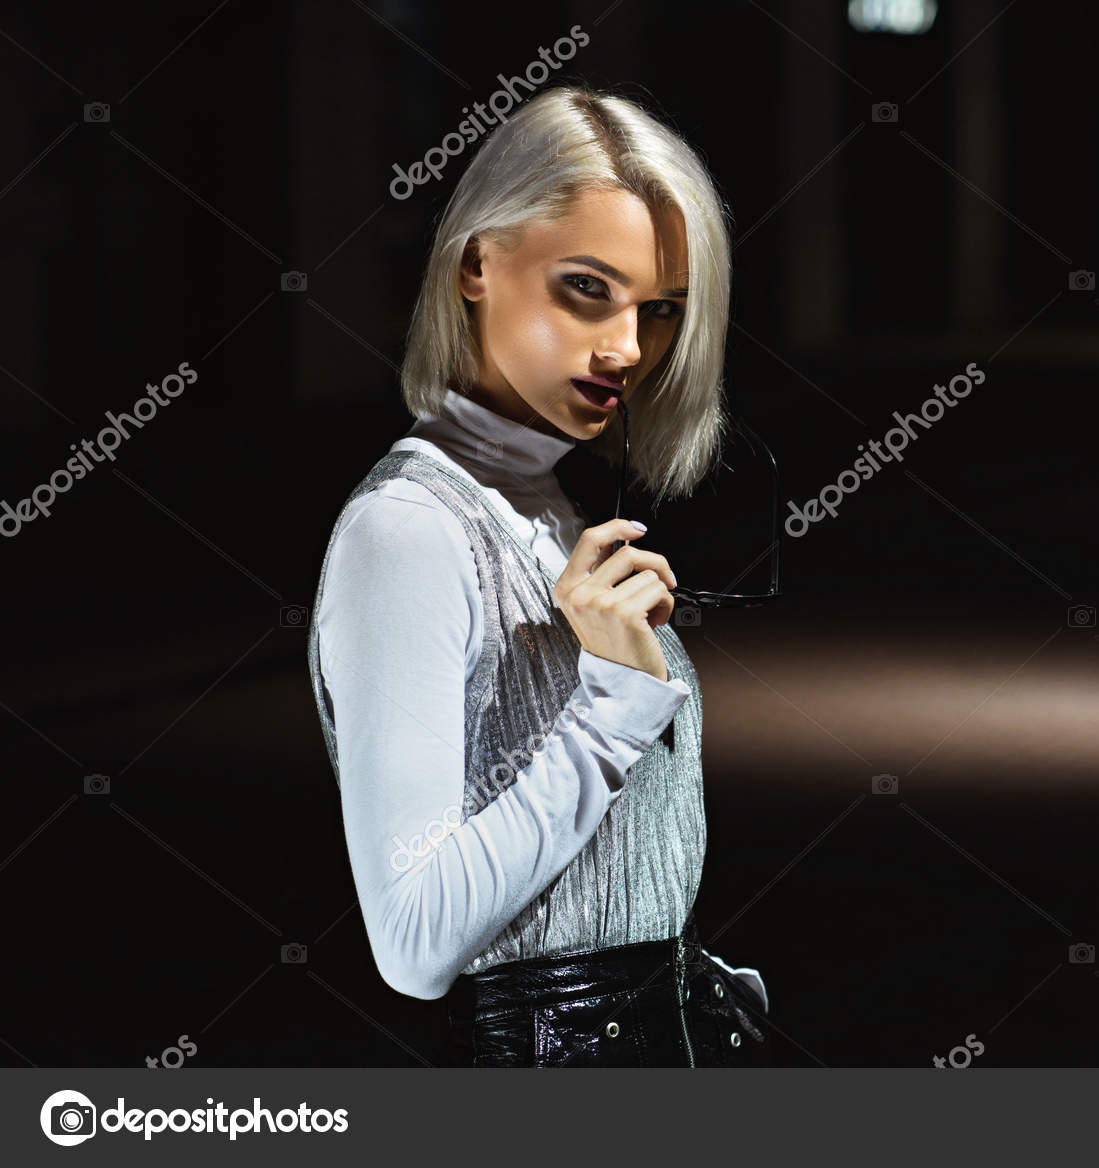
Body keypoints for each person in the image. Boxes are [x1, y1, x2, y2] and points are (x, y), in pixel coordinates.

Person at [306, 84, 777, 1066]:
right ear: (477, 262)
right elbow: (416, 940)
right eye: (587, 288)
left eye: (660, 310)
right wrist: (609, 707)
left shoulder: (551, 504)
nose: (627, 349)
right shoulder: (407, 531)